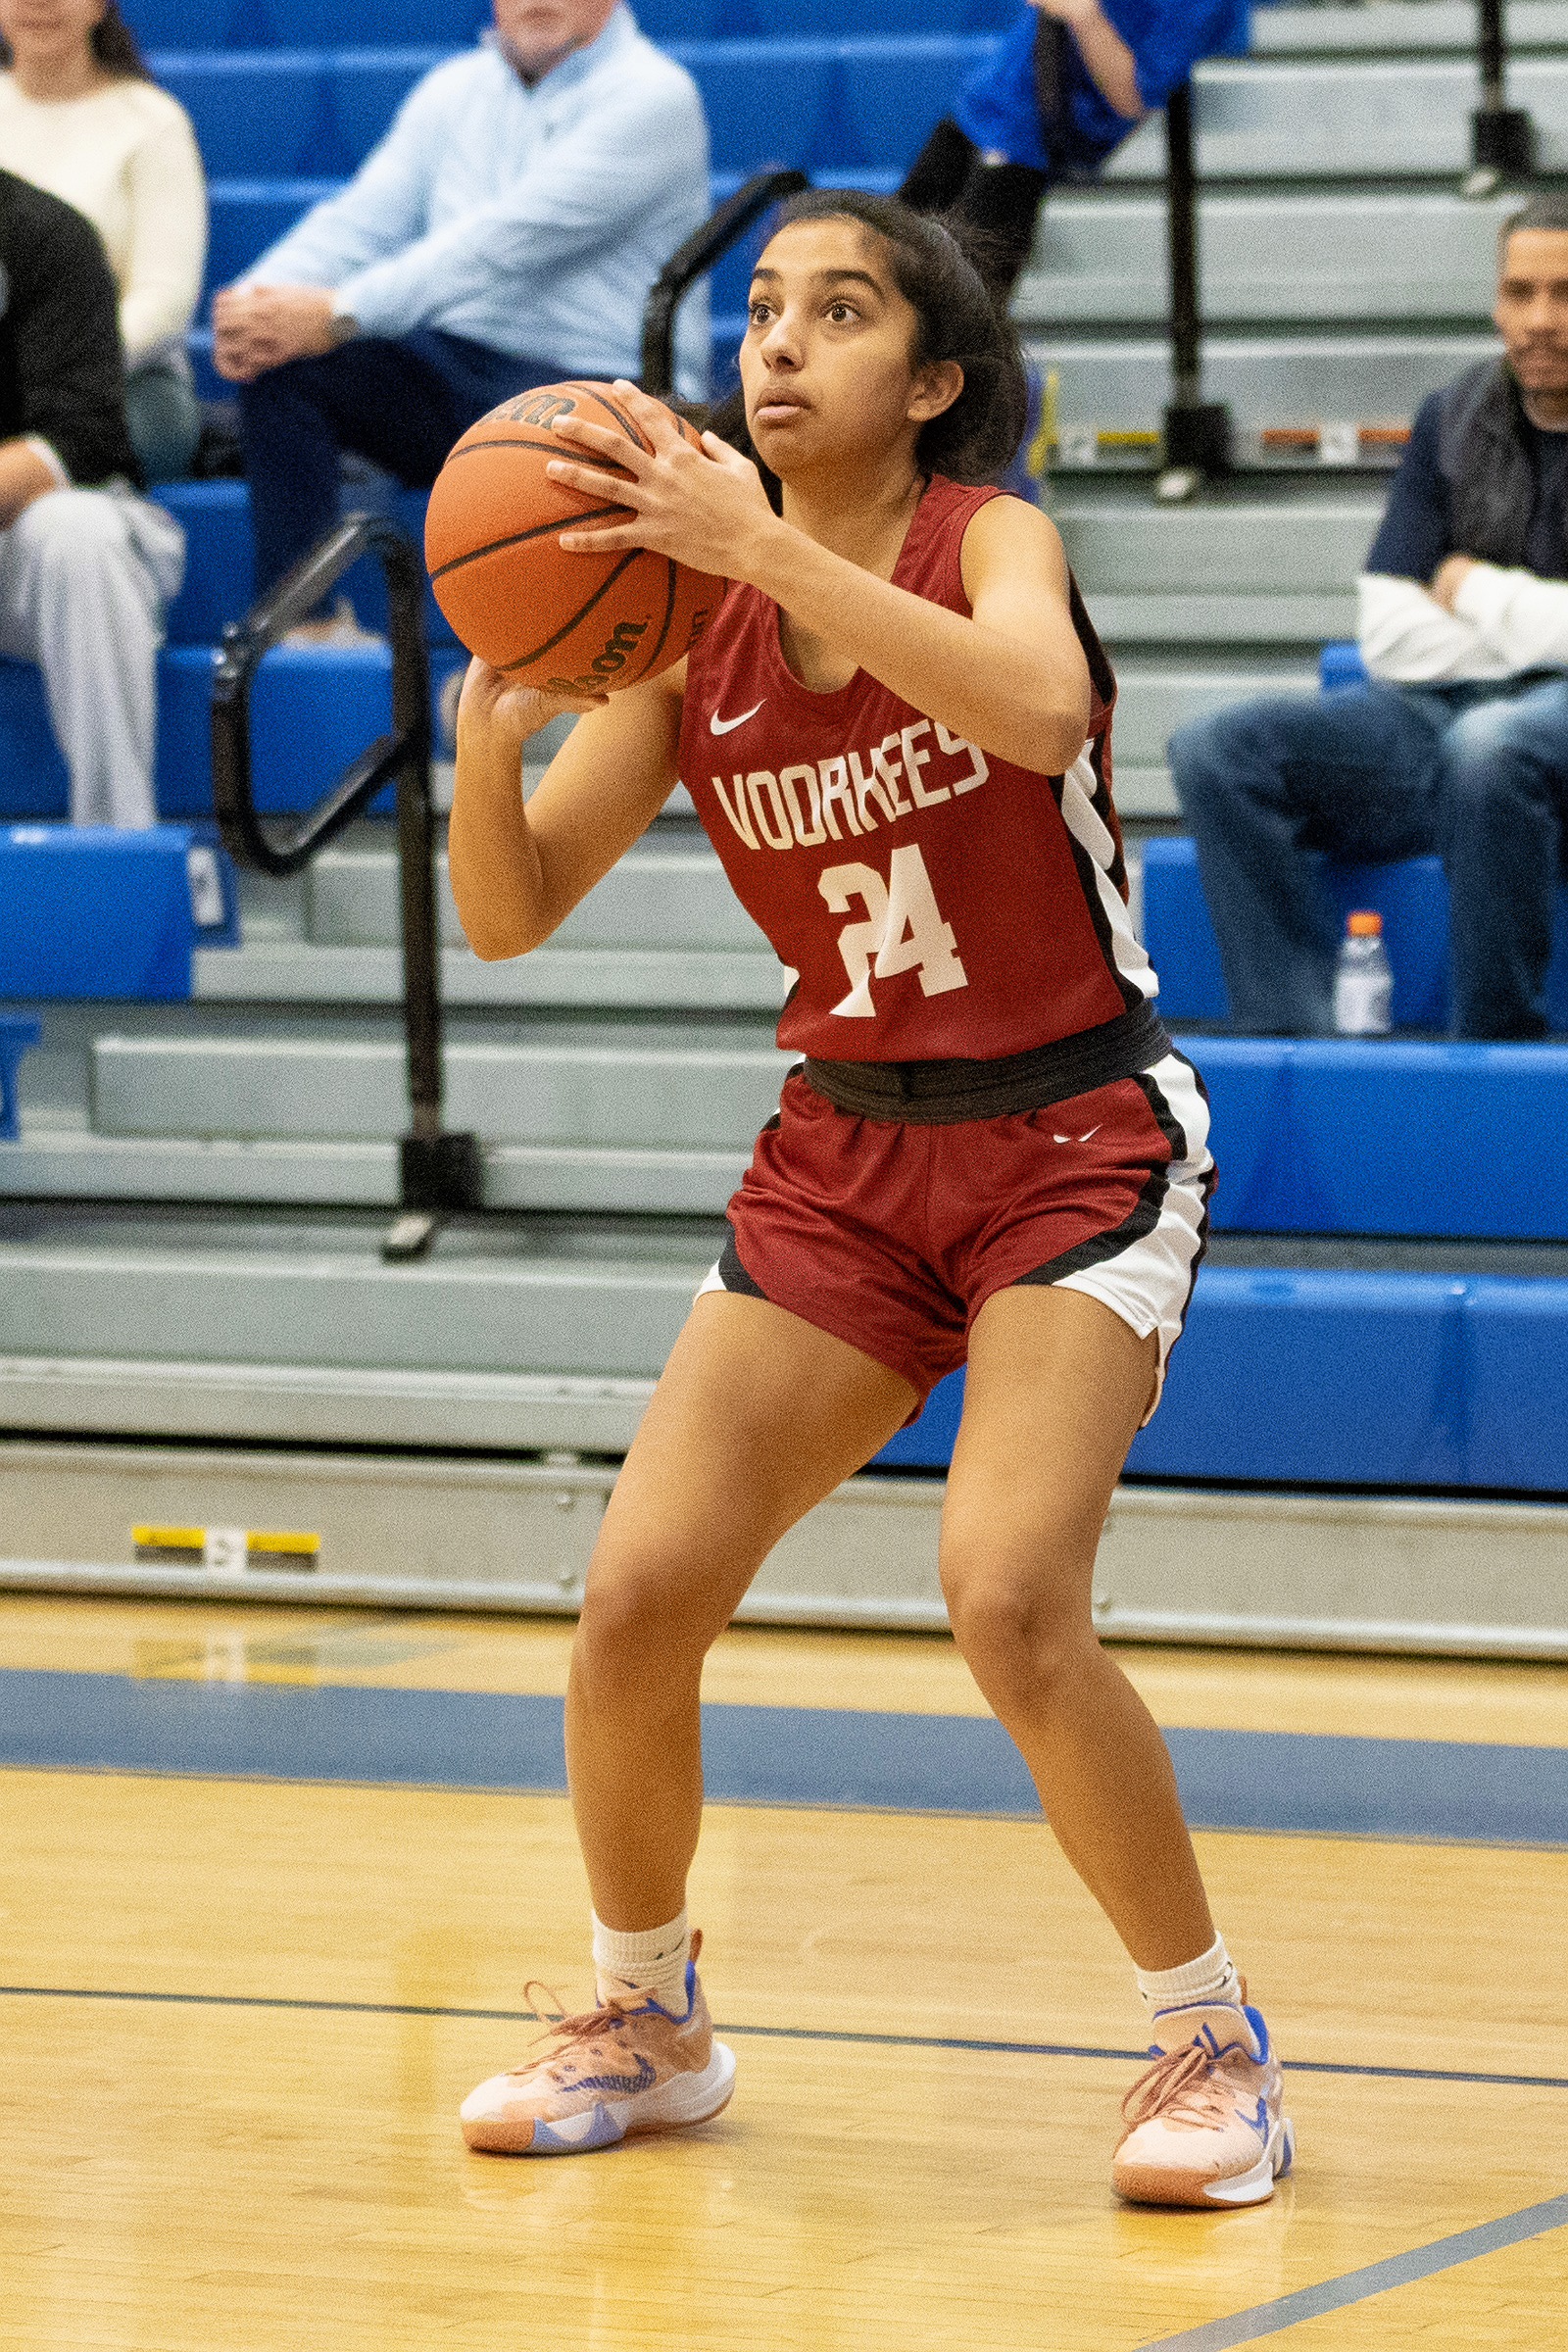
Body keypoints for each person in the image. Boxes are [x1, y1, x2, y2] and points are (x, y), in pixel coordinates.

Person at [446, 191, 1294, 2208]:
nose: (776, 343)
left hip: (1070, 1134)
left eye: (835, 313)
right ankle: (648, 2012)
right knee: (636, 1598)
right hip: (844, 1151)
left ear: (924, 383)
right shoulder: (679, 622)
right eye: (756, 310)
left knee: (1005, 1596)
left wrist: (745, 538)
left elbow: (1034, 711)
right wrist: (492, 729)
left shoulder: (982, 538)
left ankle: (1207, 2036)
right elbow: (508, 911)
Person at [1169, 193, 1568, 1041]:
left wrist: (1477, 593)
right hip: (1435, 721)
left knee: (1492, 745)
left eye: (1564, 293)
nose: (1539, 319)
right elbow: (1387, 626)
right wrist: (1536, 625)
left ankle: (1494, 1049)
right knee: (1216, 751)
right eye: (1520, 292)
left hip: (1523, 741)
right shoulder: (1454, 417)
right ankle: (1301, 1030)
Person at [213, 0, 709, 639]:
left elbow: (502, 244)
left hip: (602, 385)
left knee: (333, 343)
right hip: (458, 365)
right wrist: (255, 304)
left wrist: (341, 312)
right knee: (285, 364)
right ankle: (305, 634)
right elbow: (362, 218)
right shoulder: (453, 89)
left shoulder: (655, 96)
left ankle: (525, 664)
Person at [0, 164, 183, 829]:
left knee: (78, 532)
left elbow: (79, 436)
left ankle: (119, 844)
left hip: (29, 546)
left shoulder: (42, 232)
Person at [899, 0, 1250, 305]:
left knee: (966, 310)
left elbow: (1131, 96)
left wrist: (1085, 15)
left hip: (1029, 144)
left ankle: (1013, 379)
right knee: (888, 261)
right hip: (983, 106)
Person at [0, 0, 207, 484]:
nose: (38, 3)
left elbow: (165, 301)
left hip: (121, 384)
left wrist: (63, 365)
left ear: (101, 6)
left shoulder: (153, 122)